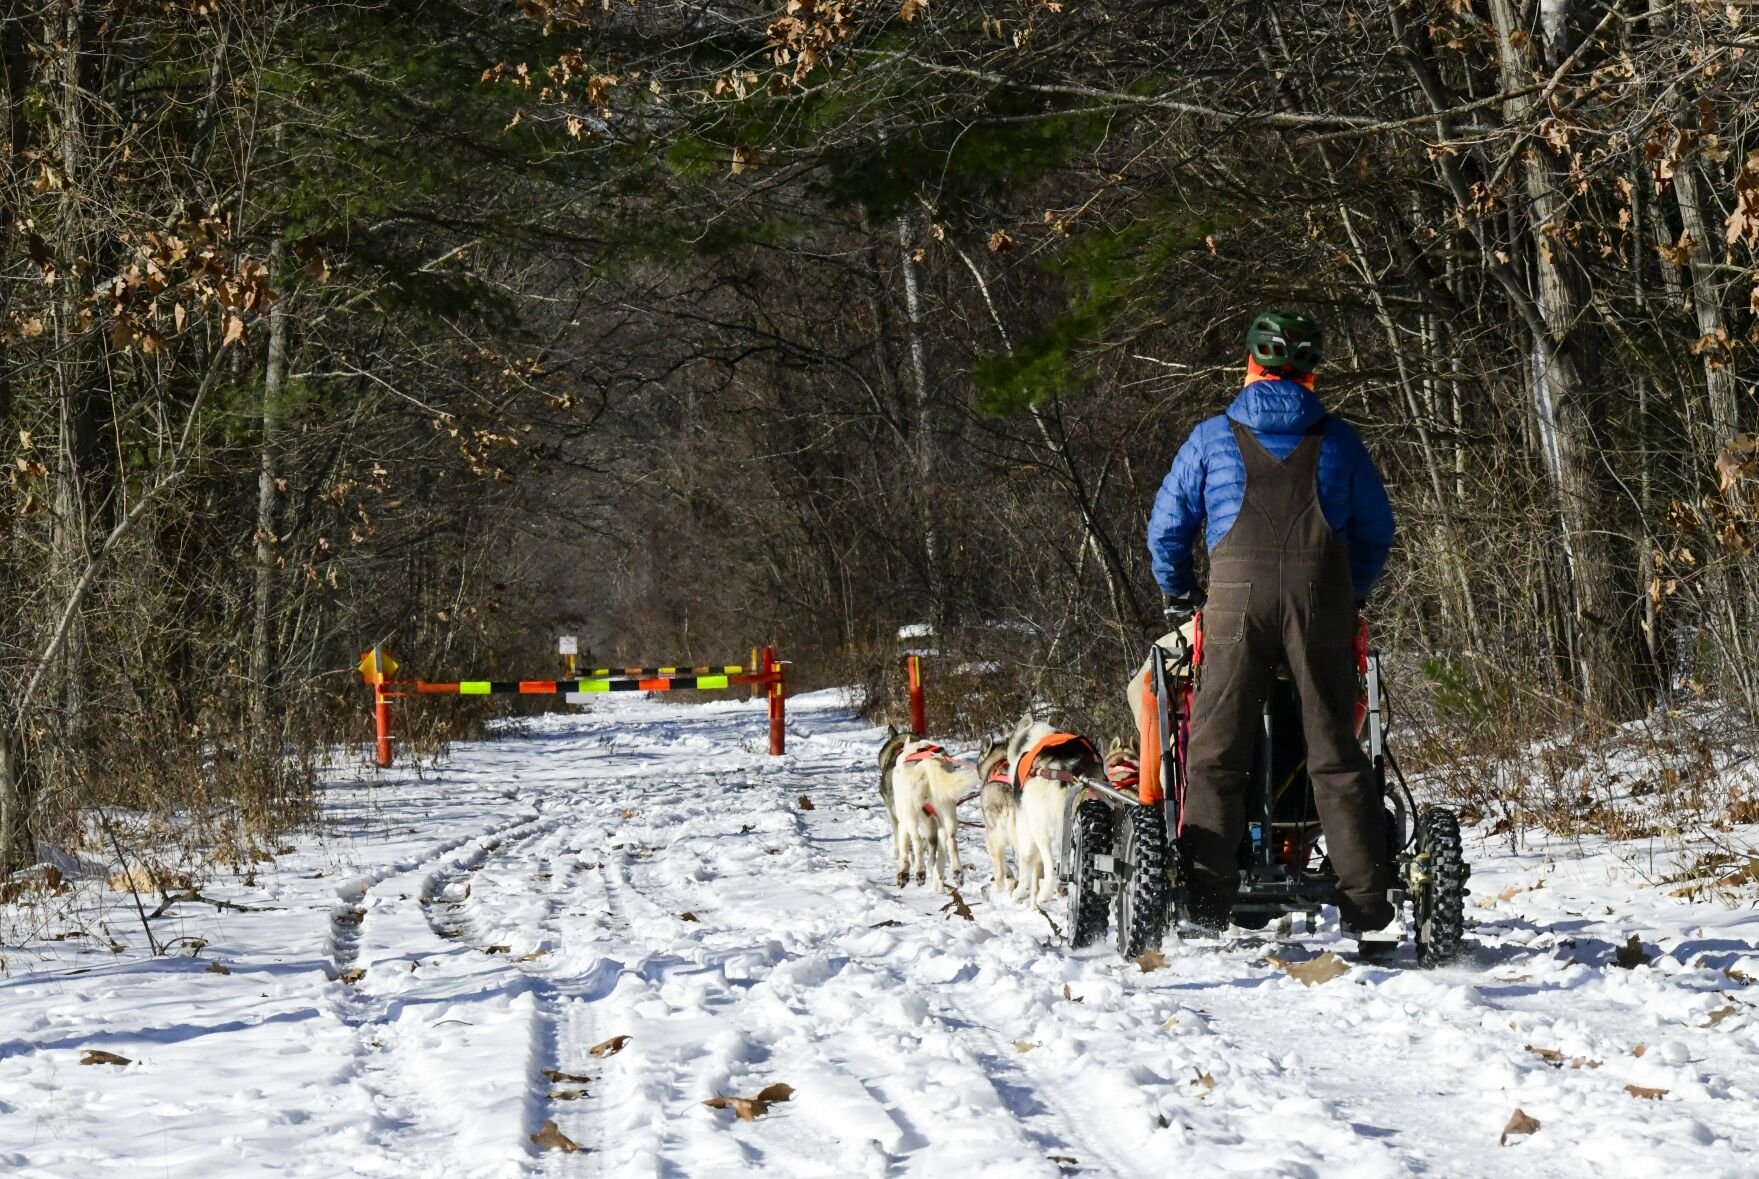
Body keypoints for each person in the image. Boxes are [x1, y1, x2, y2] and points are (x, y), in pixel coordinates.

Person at [1145, 311, 1396, 936]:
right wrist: (1349, 593)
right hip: (1321, 603)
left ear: (1251, 369)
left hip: (1235, 602)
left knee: (1215, 752)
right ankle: (1365, 907)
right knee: (1337, 754)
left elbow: (1168, 528)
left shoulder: (1210, 437)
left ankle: (1206, 902)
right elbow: (1377, 531)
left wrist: (1178, 590)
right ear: (1310, 375)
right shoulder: (1339, 441)